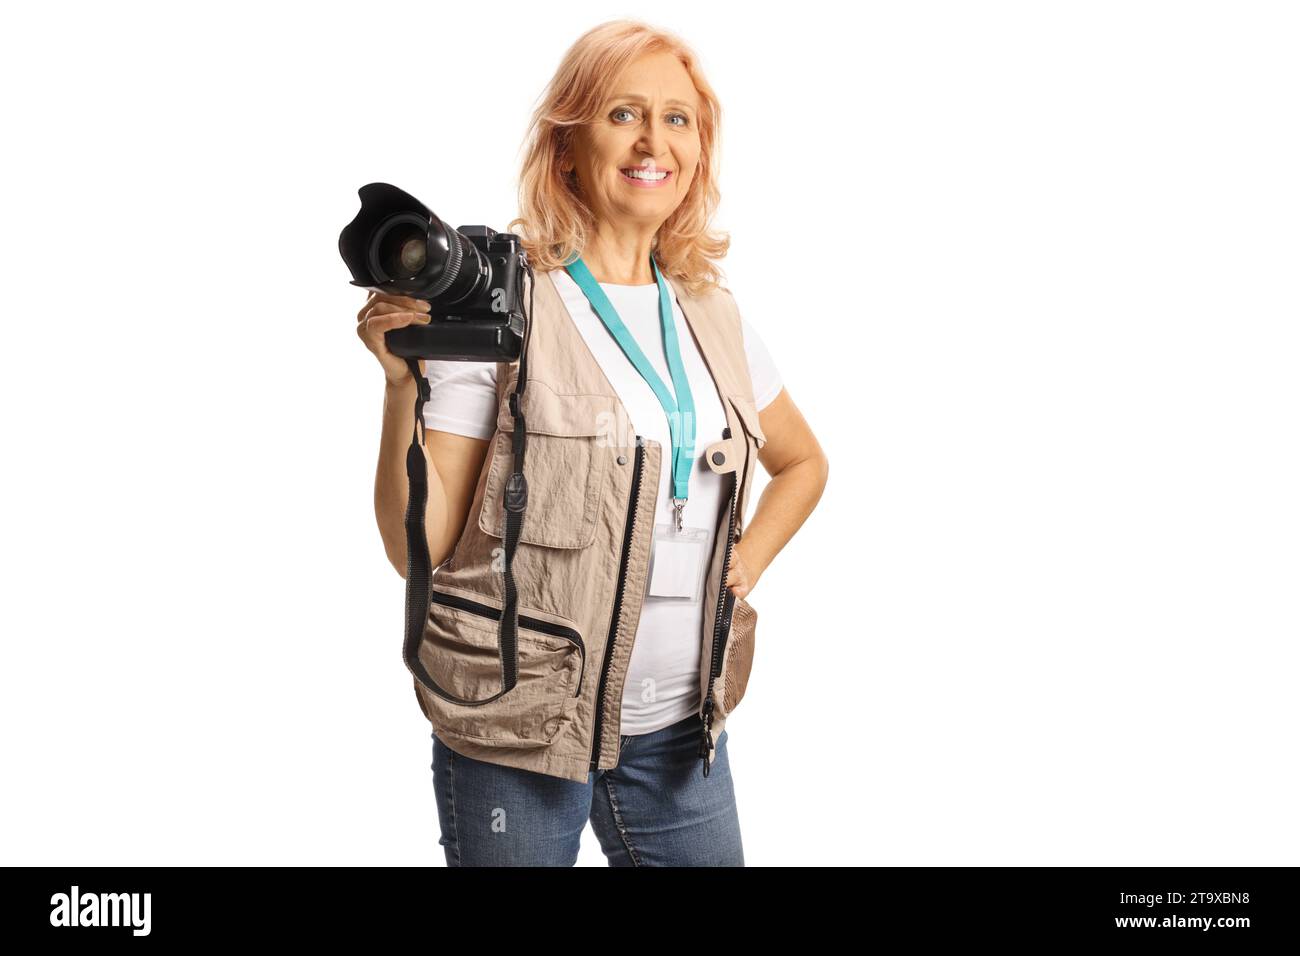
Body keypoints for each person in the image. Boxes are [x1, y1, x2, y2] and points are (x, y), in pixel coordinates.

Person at [355, 20, 830, 866]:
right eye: (624, 113)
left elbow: (804, 461)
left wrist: (749, 558)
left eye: (678, 119)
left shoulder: (712, 316)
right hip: (518, 733)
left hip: (683, 735)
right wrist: (401, 391)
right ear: (568, 146)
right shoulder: (506, 314)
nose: (655, 141)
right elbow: (413, 549)